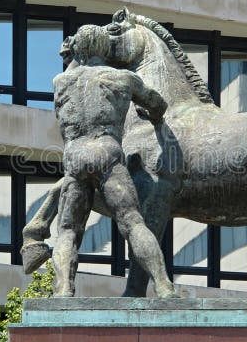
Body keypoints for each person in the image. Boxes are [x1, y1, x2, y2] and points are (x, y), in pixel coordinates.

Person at [44, 51, 178, 298]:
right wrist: (154, 115)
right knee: (133, 223)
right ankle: (164, 286)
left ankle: (63, 289)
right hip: (107, 152)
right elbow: (157, 104)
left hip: (75, 157)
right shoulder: (123, 77)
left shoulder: (60, 81)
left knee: (68, 231)